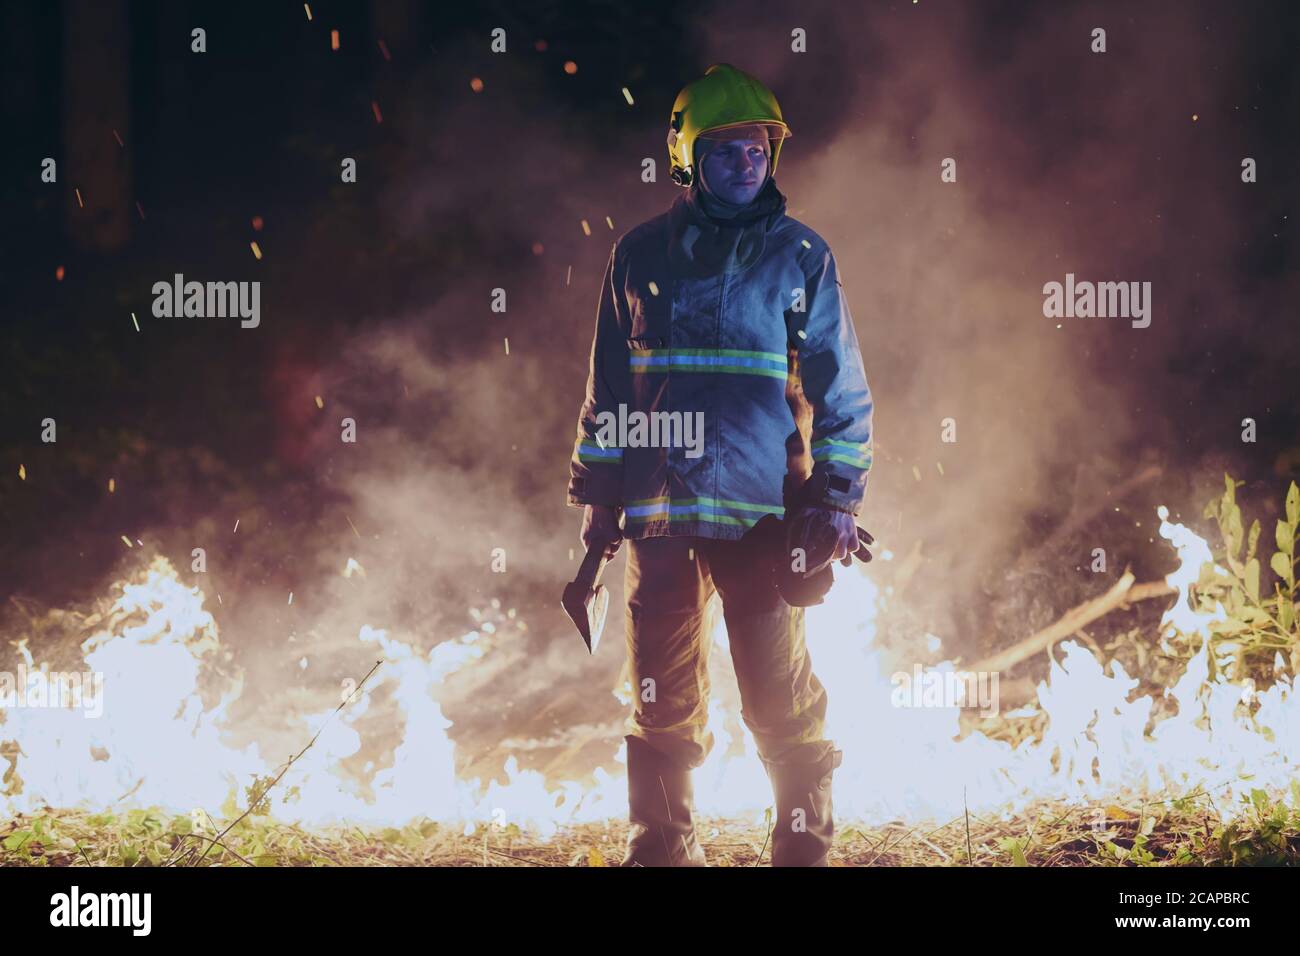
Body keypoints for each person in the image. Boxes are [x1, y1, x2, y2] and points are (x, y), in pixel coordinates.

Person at [567, 63, 874, 866]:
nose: (747, 165)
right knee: (660, 698)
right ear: (687, 159)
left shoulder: (801, 258)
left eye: (759, 150)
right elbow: (606, 388)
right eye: (728, 151)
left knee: (778, 696)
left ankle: (800, 851)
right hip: (659, 511)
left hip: (764, 512)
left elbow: (841, 386)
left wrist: (838, 498)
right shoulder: (636, 255)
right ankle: (662, 848)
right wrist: (597, 503)